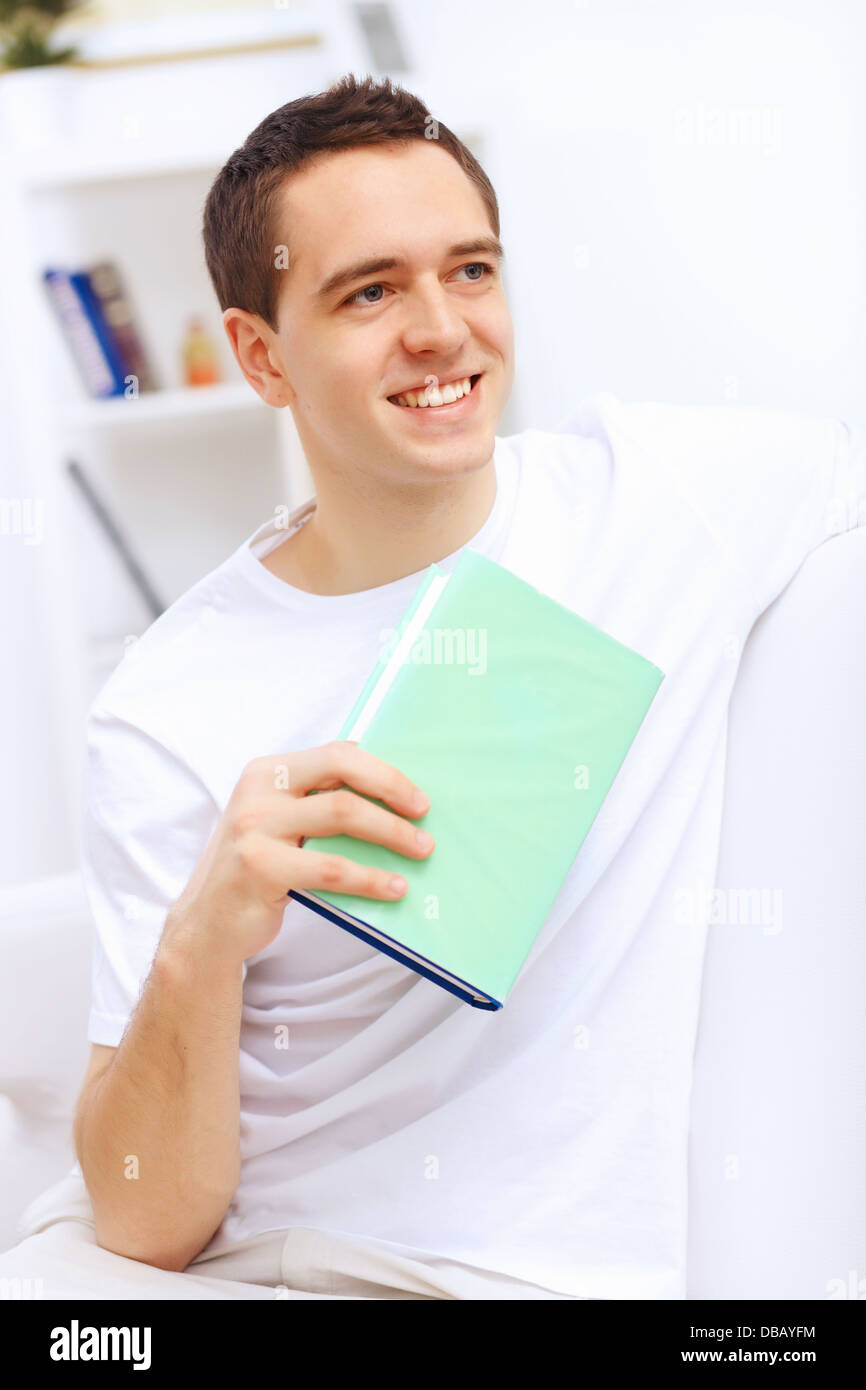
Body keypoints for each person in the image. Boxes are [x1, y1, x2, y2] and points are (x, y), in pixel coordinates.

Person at [2, 73, 863, 1302]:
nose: (443, 330)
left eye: (470, 270)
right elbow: (144, 1219)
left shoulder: (659, 503)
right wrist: (205, 938)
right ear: (259, 355)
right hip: (212, 1267)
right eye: (368, 291)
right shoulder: (167, 701)